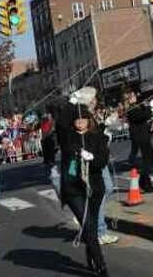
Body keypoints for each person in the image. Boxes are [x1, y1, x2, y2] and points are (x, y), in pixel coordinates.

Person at [60, 100, 112, 276]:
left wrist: (92, 157)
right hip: (74, 188)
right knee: (88, 226)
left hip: (94, 187)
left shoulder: (98, 136)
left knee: (92, 225)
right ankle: (101, 265)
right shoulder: (67, 136)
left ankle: (91, 254)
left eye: (84, 119)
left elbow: (103, 160)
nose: (80, 122)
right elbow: (61, 122)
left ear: (89, 120)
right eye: (77, 119)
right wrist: (71, 104)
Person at [123, 90, 153, 193]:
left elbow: (145, 113)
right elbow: (143, 116)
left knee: (149, 157)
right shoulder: (131, 109)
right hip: (140, 136)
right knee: (149, 158)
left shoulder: (137, 106)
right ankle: (144, 182)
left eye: (134, 96)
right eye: (131, 97)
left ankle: (144, 182)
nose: (134, 97)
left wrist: (148, 105)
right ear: (128, 100)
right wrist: (150, 107)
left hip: (142, 135)